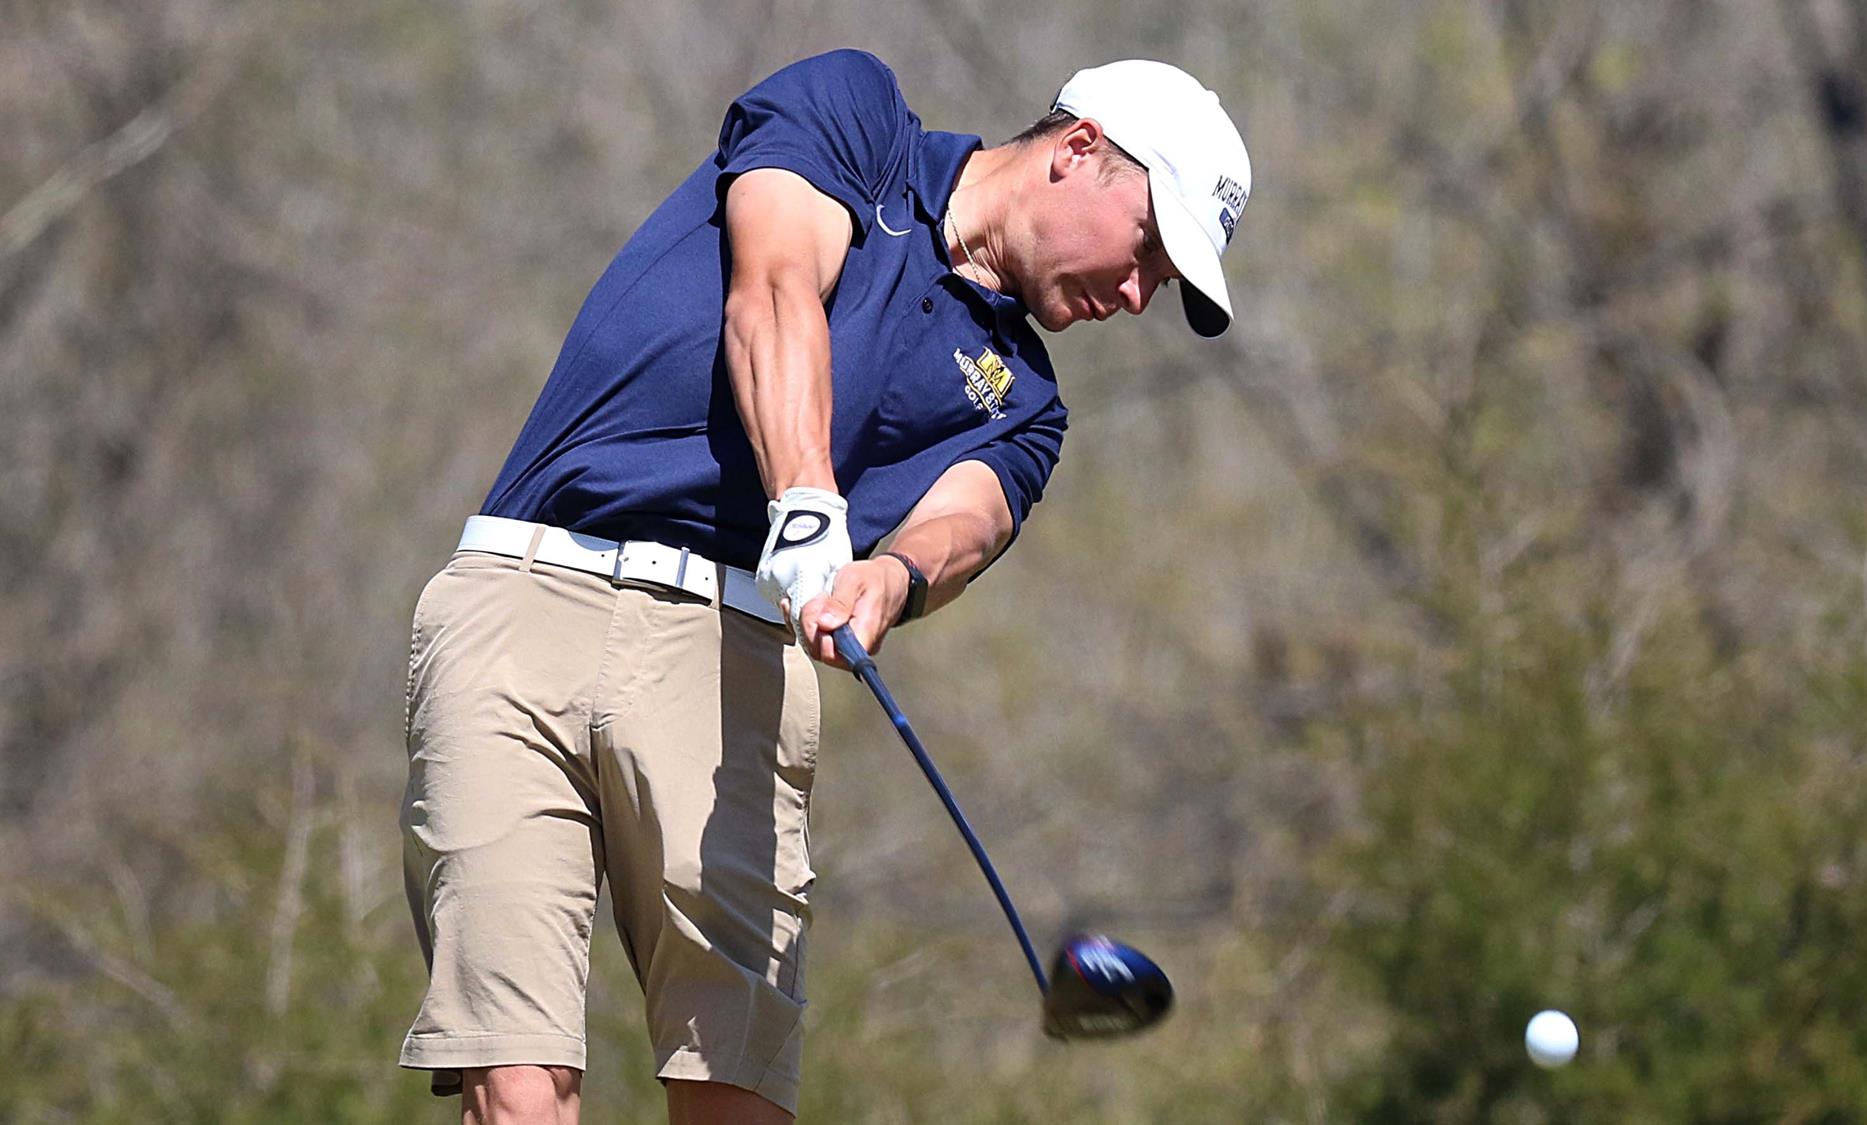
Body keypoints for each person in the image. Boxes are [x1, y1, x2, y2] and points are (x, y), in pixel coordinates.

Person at [397, 48, 1251, 1124]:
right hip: (530, 595)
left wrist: (888, 577)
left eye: (1161, 287)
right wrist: (807, 501)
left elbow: (965, 518)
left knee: (735, 1099)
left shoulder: (1026, 406)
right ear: (1078, 152)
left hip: (733, 663)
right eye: (1147, 252)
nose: (1135, 297)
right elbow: (775, 282)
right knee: (521, 1088)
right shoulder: (857, 120)